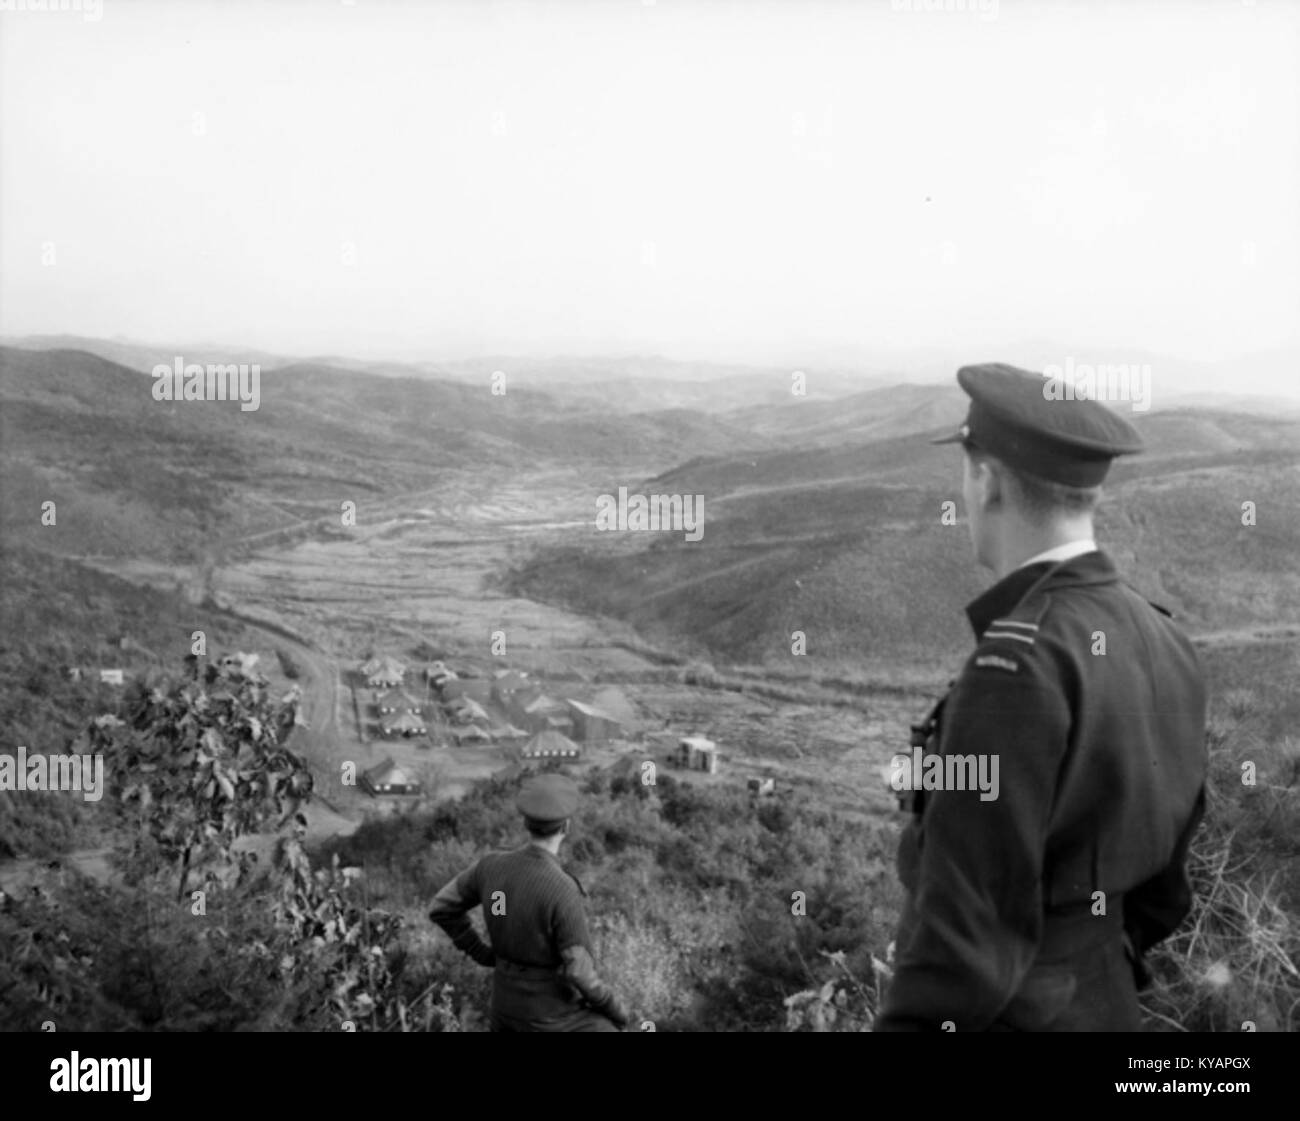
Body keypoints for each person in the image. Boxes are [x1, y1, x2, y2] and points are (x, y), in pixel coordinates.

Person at [875, 362, 1208, 1032]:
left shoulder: (1014, 668)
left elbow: (963, 947)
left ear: (987, 480)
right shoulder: (1169, 643)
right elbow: (1166, 890)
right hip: (1109, 1003)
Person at [428, 772, 632, 1032]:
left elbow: (441, 908)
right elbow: (579, 971)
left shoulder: (489, 867)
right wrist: (615, 1009)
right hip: (553, 1018)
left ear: (525, 823)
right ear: (566, 827)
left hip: (503, 1010)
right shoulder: (563, 889)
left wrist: (481, 952)